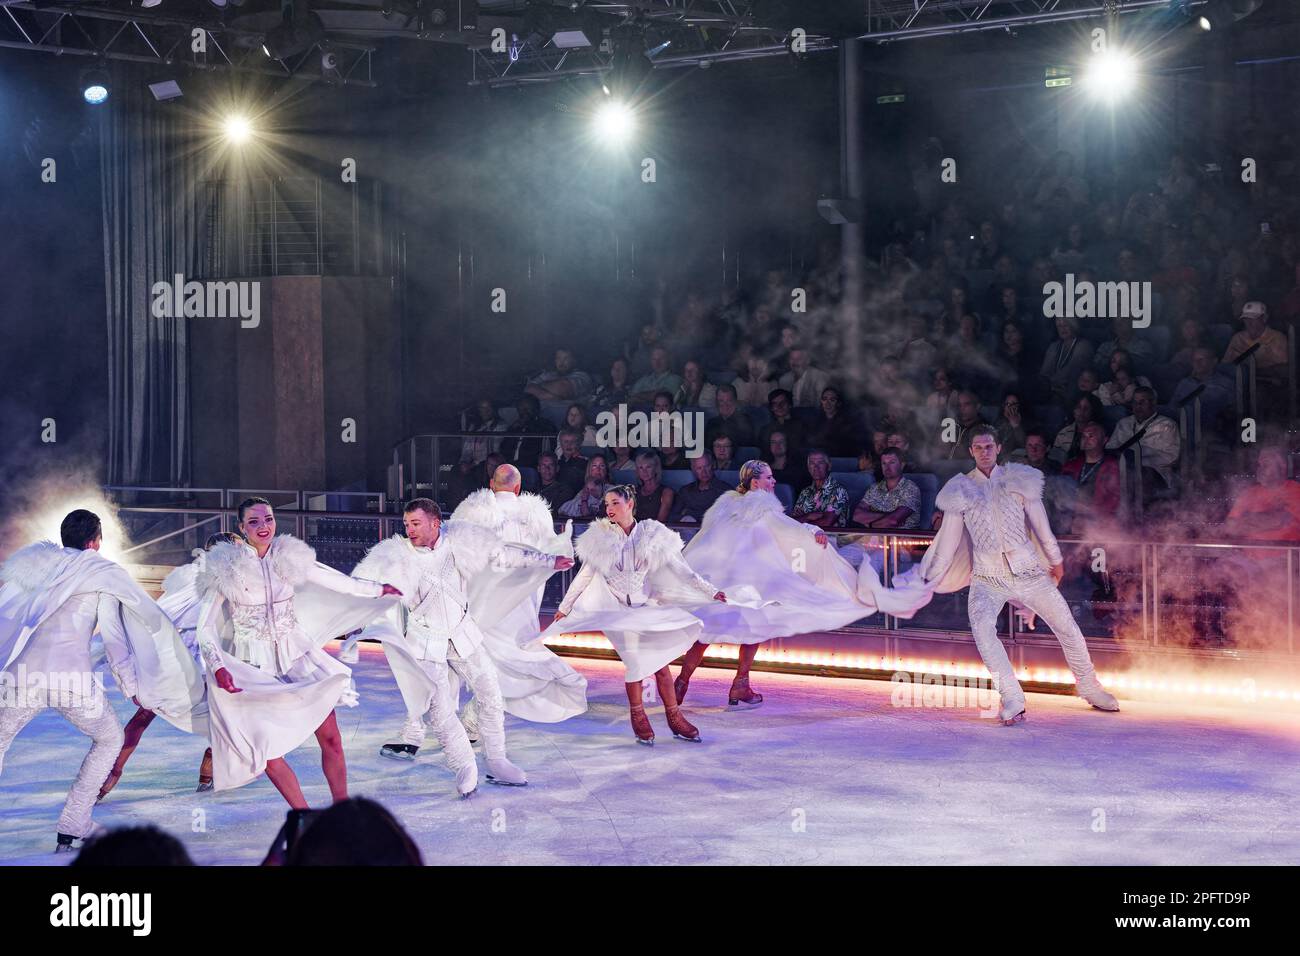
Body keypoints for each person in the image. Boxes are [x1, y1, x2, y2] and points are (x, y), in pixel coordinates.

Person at [0, 510, 206, 853]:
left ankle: (76, 823)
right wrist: (133, 688)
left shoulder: (35, 567)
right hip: (72, 682)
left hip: (22, 677)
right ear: (95, 542)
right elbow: (116, 640)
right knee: (110, 739)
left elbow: (9, 614)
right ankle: (74, 822)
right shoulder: (103, 573)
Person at [888, 426, 1120, 723]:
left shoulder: (1020, 480)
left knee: (1067, 626)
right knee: (983, 630)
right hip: (987, 577)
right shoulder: (960, 490)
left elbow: (1041, 525)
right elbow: (947, 544)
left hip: (1029, 572)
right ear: (970, 451)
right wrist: (930, 576)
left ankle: (1089, 686)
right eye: (978, 447)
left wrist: (1055, 560)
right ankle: (1012, 696)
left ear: (998, 448)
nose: (984, 452)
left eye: (989, 446)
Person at [351, 499, 571, 796]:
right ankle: (465, 766)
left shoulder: (461, 538)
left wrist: (547, 562)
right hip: (426, 642)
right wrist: (359, 606)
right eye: (406, 524)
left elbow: (502, 553)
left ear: (434, 523)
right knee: (440, 711)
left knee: (491, 693)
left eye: (415, 524)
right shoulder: (395, 555)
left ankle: (497, 761)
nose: (409, 530)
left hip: (463, 634)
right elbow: (363, 583)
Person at [193, 498, 402, 807]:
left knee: (331, 738)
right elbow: (205, 627)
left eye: (268, 519)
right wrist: (218, 665)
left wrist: (376, 590)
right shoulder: (226, 569)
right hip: (255, 668)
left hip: (298, 659)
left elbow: (336, 581)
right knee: (267, 750)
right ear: (241, 527)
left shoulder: (288, 556)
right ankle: (302, 814)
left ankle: (341, 809)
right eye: (254, 522)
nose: (263, 526)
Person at [676, 460, 908, 707]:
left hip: (724, 580)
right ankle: (739, 684)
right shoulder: (762, 506)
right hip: (751, 580)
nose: (773, 481)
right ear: (756, 483)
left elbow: (705, 540)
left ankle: (683, 682)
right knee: (753, 626)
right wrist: (813, 532)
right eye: (769, 477)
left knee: (712, 626)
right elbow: (788, 529)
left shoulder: (725, 507)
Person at [543, 485, 727, 744]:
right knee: (637, 666)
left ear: (630, 504)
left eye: (615, 503)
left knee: (661, 666)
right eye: (607, 504)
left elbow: (681, 570)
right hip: (618, 613)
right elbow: (584, 577)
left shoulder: (650, 534)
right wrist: (564, 608)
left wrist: (711, 591)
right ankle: (638, 715)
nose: (609, 509)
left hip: (646, 609)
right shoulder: (601, 537)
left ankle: (675, 718)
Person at [96, 530, 244, 802]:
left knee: (218, 710)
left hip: (193, 652)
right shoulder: (205, 583)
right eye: (236, 551)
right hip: (187, 654)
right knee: (219, 709)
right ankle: (111, 773)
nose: (242, 556)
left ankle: (111, 774)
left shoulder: (202, 581)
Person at [1106, 386, 1180, 492]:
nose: (1138, 406)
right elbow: (1110, 448)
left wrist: (1137, 458)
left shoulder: (1167, 425)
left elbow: (1171, 457)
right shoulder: (1123, 423)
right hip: (1122, 474)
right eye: (1135, 402)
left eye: (1142, 402)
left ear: (1153, 404)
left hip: (1155, 477)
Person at [1225, 447, 1300, 541]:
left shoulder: (1296, 491)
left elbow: (1280, 519)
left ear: (1282, 466)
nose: (1260, 469)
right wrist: (1272, 517)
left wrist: (1245, 519)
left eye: (1266, 464)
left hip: (1288, 555)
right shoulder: (1249, 492)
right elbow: (1230, 527)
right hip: (1246, 555)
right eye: (1259, 465)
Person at [1060, 422, 1121, 527]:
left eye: (1091, 436)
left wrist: (1088, 512)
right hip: (1069, 522)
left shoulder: (1113, 467)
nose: (1085, 439)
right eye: (1083, 436)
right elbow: (1060, 496)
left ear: (1105, 440)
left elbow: (1114, 503)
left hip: (1100, 525)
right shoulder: (1070, 466)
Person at [851, 449, 921, 530]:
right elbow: (857, 516)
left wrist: (869, 525)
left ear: (902, 465)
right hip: (872, 540)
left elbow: (893, 521)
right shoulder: (874, 488)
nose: (887, 467)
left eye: (892, 462)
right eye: (884, 463)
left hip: (900, 540)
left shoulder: (910, 488)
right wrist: (887, 516)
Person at [792, 450, 850, 528]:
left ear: (828, 466)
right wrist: (809, 516)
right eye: (812, 463)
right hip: (804, 537)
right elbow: (792, 521)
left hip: (830, 539)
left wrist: (803, 518)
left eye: (820, 463)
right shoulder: (805, 492)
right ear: (808, 468)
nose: (816, 467)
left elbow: (826, 523)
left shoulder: (839, 491)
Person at [668, 451, 728, 523]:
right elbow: (672, 518)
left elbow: (729, 519)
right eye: (699, 468)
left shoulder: (725, 491)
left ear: (713, 465)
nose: (704, 472)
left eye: (707, 466)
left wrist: (690, 513)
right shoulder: (685, 491)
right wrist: (687, 517)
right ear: (693, 469)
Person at [705, 384, 757, 449]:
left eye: (729, 400)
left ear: (735, 401)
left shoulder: (745, 421)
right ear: (716, 402)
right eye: (721, 401)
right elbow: (707, 448)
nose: (725, 405)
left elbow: (747, 448)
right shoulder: (711, 423)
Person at [559, 455, 610, 520]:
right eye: (594, 466)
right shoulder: (583, 490)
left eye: (602, 466)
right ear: (589, 470)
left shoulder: (612, 490)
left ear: (606, 470)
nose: (598, 469)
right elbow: (565, 511)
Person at [633, 450, 674, 522]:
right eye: (641, 468)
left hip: (656, 531)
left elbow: (660, 522)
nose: (644, 471)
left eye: (648, 467)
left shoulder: (667, 492)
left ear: (656, 469)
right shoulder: (633, 492)